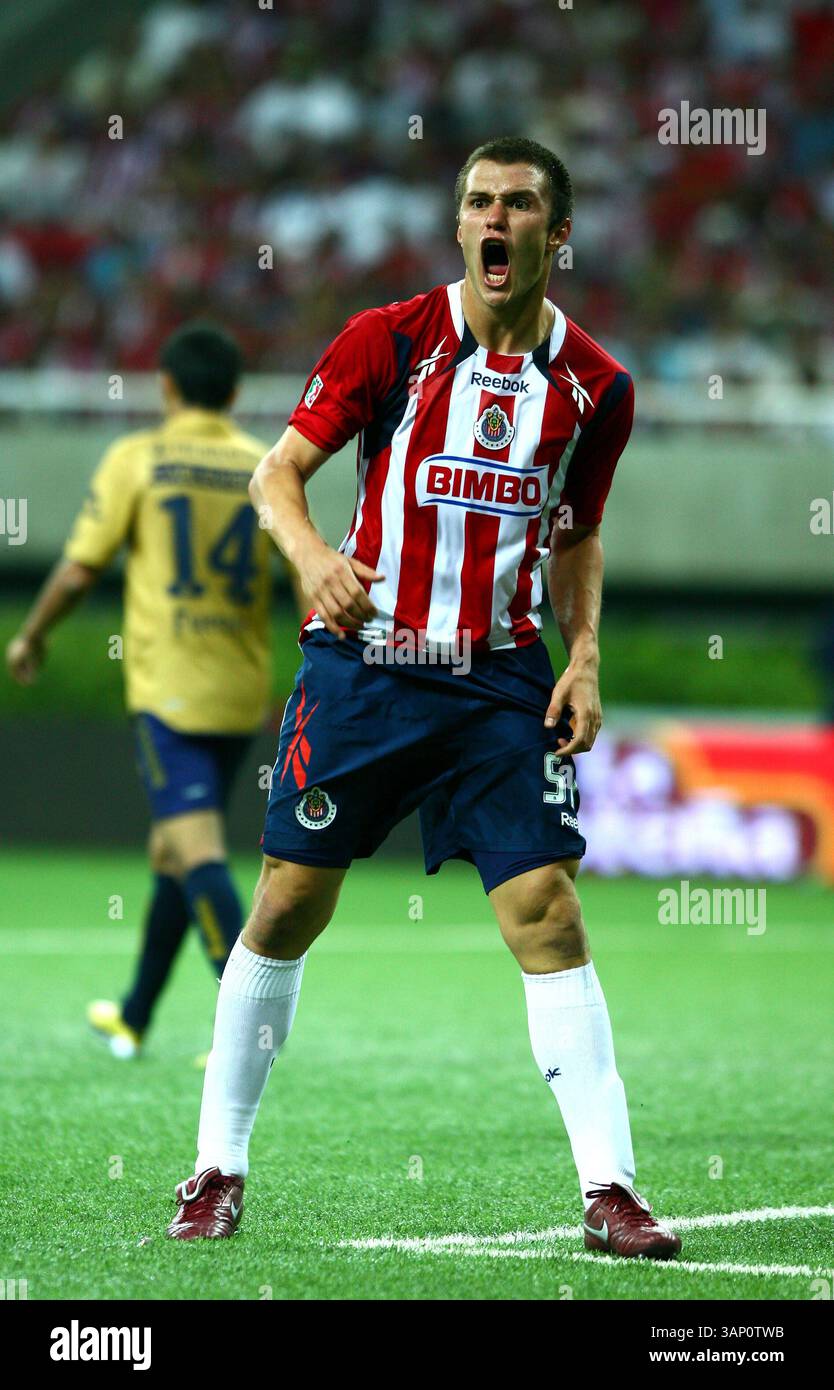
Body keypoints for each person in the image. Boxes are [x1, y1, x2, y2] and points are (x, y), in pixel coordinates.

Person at [166, 138, 682, 1259]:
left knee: (546, 906)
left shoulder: (597, 386)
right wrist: (310, 559)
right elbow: (276, 475)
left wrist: (583, 652)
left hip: (500, 681)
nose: (497, 219)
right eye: (479, 202)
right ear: (460, 228)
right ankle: (217, 1166)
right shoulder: (387, 340)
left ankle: (612, 1189)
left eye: (522, 204)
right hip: (366, 668)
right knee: (290, 904)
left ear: (558, 235)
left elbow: (580, 533)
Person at [6, 323, 303, 1060]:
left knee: (193, 847)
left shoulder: (138, 457)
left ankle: (250, 1030)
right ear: (234, 393)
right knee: (171, 851)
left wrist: (32, 635)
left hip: (168, 693)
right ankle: (135, 1014)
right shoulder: (260, 465)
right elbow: (305, 567)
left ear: (166, 388)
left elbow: (79, 569)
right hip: (238, 695)